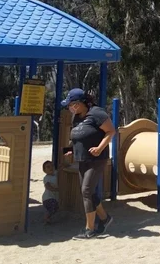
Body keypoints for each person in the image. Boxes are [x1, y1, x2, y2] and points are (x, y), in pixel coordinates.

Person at [62, 88, 116, 239]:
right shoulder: (76, 117)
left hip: (97, 159)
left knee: (86, 191)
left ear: (79, 103)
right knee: (88, 192)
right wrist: (72, 149)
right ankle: (105, 219)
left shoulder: (97, 113)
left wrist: (99, 148)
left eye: (71, 104)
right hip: (82, 158)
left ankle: (89, 229)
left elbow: (111, 131)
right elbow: (78, 136)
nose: (69, 107)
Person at [41, 160, 59, 224]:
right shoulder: (46, 178)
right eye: (48, 167)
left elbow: (61, 169)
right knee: (53, 207)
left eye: (52, 166)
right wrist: (56, 190)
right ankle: (46, 217)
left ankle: (48, 218)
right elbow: (48, 186)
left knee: (55, 208)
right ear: (44, 170)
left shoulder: (56, 174)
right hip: (47, 198)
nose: (51, 168)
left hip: (54, 197)